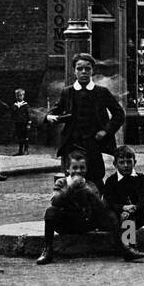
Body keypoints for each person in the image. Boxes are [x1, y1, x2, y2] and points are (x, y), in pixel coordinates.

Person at [36, 150, 143, 265]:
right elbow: (55, 201)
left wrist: (89, 192)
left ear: (86, 169)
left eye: (82, 168)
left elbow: (101, 208)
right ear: (68, 169)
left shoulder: (90, 184)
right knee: (50, 211)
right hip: (67, 223)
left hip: (85, 222)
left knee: (110, 215)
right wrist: (70, 188)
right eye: (75, 168)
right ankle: (47, 250)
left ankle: (124, 249)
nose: (78, 171)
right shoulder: (62, 183)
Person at [46, 52, 125, 186]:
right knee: (73, 177)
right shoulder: (68, 92)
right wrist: (49, 116)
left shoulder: (101, 92)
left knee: (96, 176)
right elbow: (57, 109)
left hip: (93, 143)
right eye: (79, 69)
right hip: (73, 143)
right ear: (74, 71)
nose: (83, 72)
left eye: (87, 69)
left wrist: (106, 131)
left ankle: (96, 204)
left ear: (93, 71)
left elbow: (119, 114)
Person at [11, 88, 32, 155]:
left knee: (25, 137)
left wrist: (29, 123)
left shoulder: (26, 105)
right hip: (18, 123)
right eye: (17, 95)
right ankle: (20, 151)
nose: (19, 97)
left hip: (24, 123)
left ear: (23, 96)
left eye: (20, 95)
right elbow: (13, 114)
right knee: (19, 137)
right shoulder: (14, 105)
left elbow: (28, 115)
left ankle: (26, 150)